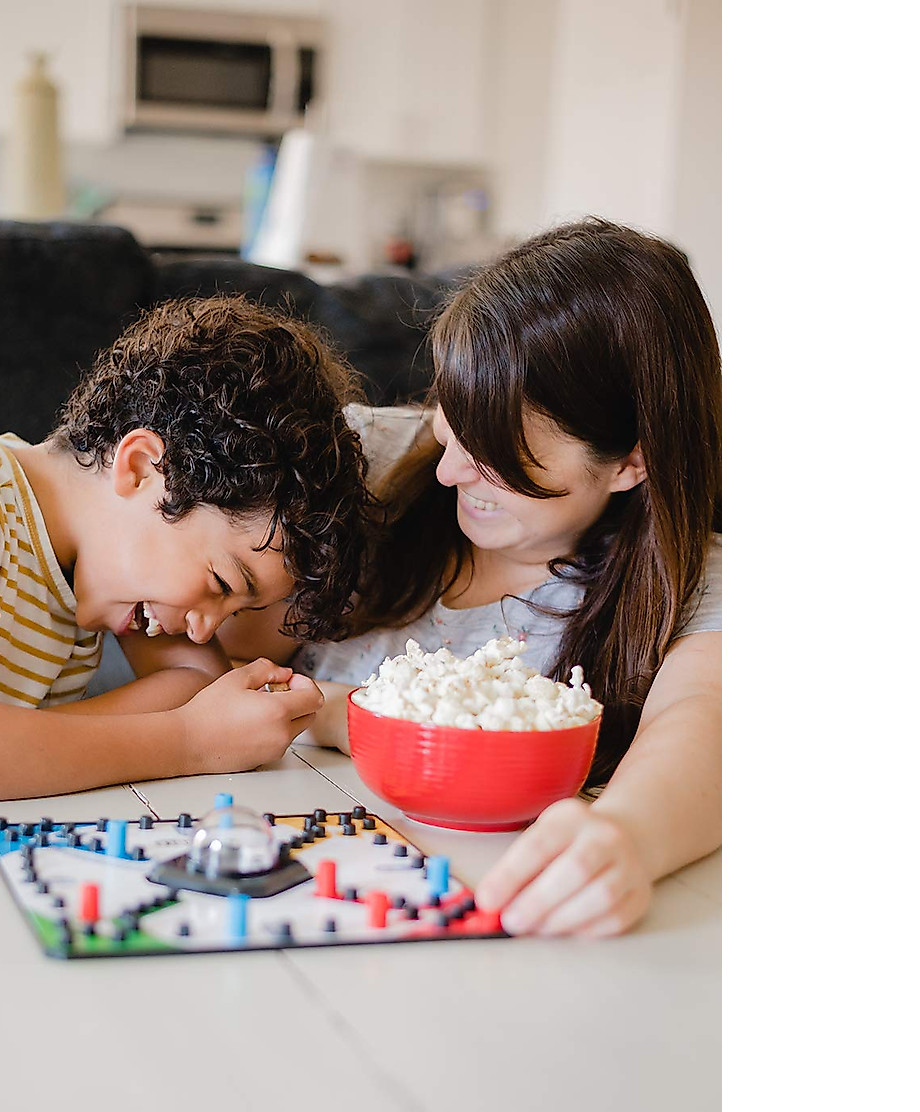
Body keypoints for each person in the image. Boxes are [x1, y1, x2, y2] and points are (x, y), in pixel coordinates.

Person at [222, 217, 722, 937]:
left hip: (485, 904)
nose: (450, 469)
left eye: (497, 449)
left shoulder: (692, 578)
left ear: (629, 462)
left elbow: (705, 724)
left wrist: (627, 837)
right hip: (272, 858)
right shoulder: (366, 454)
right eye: (451, 413)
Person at [0, 295, 372, 806]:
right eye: (222, 583)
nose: (204, 630)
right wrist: (188, 742)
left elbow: (200, 684)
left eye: (233, 611)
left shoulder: (86, 566)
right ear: (139, 469)